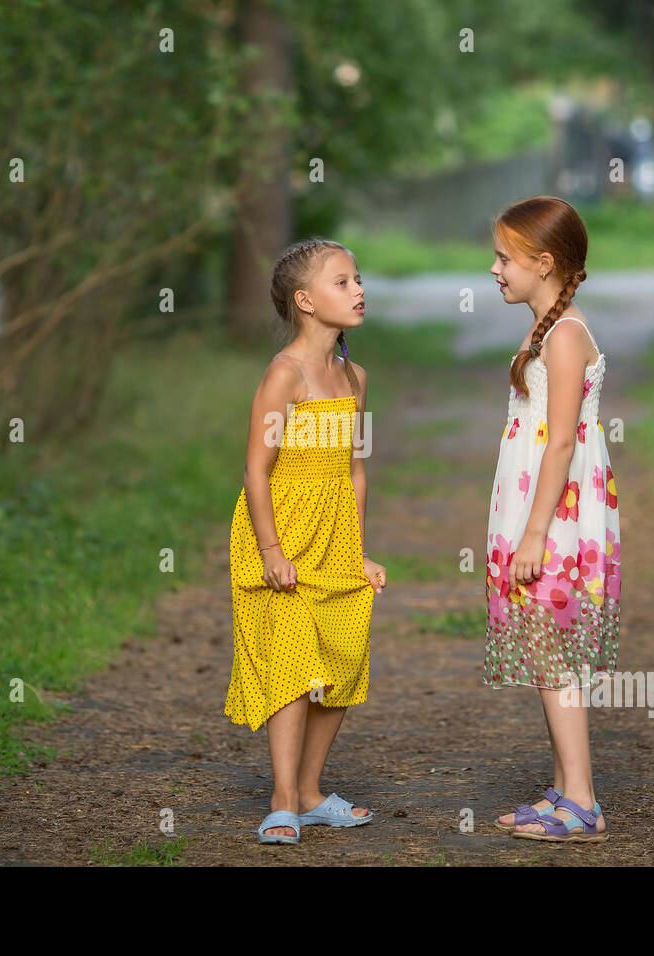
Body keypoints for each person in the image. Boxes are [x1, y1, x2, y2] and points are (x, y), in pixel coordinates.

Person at [223, 238, 387, 844]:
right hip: (281, 536)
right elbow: (255, 471)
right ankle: (283, 800)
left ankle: (313, 791)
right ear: (305, 301)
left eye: (358, 279)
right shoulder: (284, 376)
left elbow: (356, 468)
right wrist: (271, 551)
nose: (358, 290)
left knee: (341, 660)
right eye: (342, 282)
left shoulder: (354, 377)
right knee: (294, 667)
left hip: (334, 539)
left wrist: (358, 549)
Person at [483, 196, 621, 842]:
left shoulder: (566, 337)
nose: (494, 270)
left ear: (543, 263)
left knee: (552, 651)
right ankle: (567, 788)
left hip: (557, 516)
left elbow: (561, 443)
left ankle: (584, 801)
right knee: (545, 652)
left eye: (504, 258)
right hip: (537, 508)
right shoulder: (544, 328)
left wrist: (535, 530)